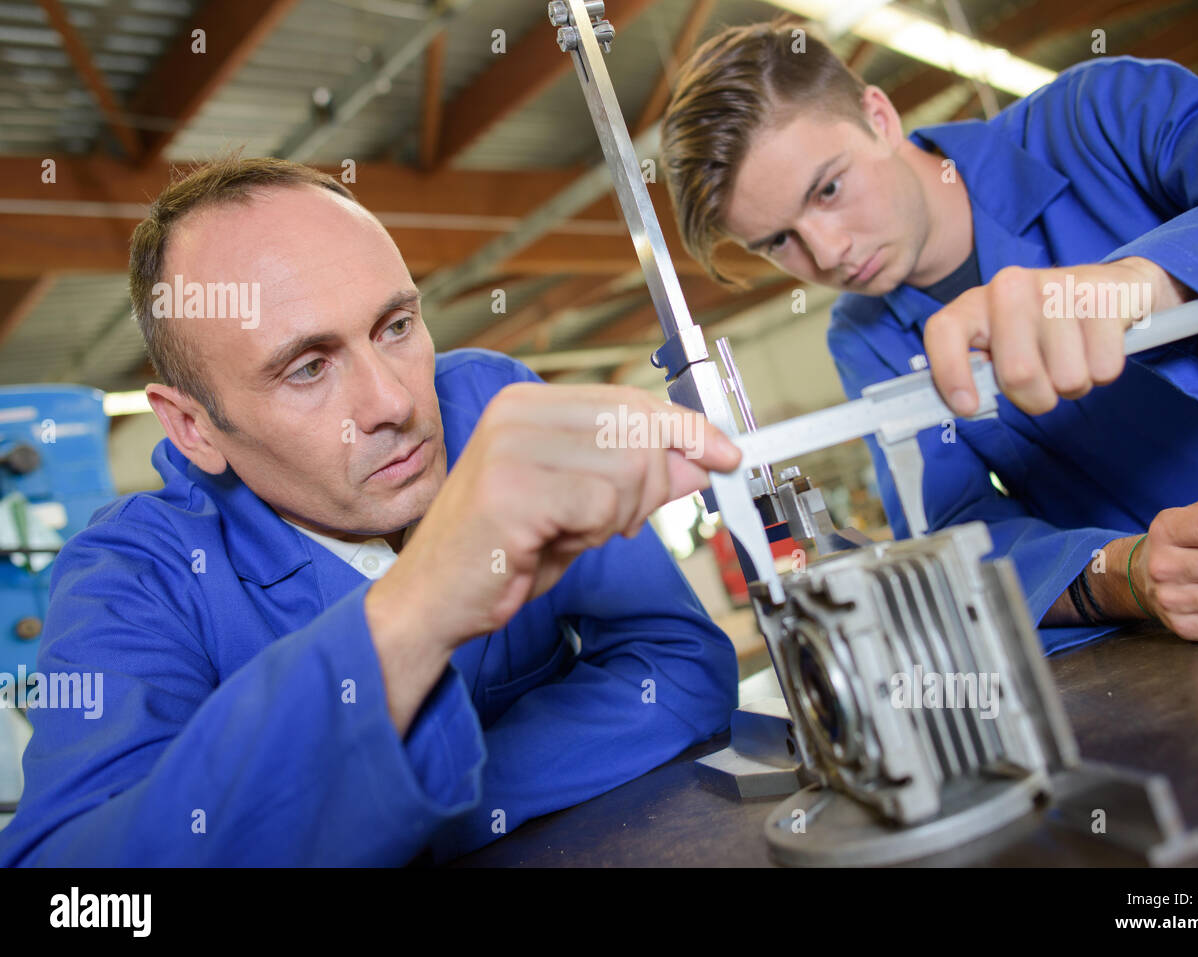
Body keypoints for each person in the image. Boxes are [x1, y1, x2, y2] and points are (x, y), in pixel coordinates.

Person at [0, 157, 742, 865]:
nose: (393, 403)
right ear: (194, 427)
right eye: (309, 368)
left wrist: (418, 809)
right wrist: (417, 610)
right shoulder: (132, 579)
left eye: (394, 326)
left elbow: (681, 668)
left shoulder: (495, 408)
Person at [660, 22, 1198, 653]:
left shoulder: (1098, 115)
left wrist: (1139, 284)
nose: (828, 254)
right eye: (777, 241)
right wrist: (1124, 574)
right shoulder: (863, 339)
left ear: (878, 117)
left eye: (828, 188)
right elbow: (955, 528)